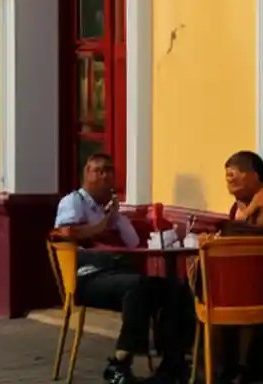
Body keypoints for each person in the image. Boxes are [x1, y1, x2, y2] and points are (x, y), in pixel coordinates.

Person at [53, 152, 188, 384]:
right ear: (86, 173)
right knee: (138, 288)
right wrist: (102, 224)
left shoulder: (108, 211)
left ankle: (173, 363)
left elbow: (134, 243)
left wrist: (116, 216)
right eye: (99, 171)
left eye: (110, 171)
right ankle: (119, 363)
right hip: (87, 277)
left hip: (117, 273)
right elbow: (65, 233)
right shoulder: (74, 201)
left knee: (175, 288)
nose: (105, 176)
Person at [201, 151, 263, 384]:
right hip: (238, 276)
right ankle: (223, 368)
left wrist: (229, 229)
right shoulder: (240, 205)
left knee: (226, 297)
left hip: (262, 278)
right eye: (226, 176)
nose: (229, 181)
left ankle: (241, 369)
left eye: (234, 175)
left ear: (253, 175)